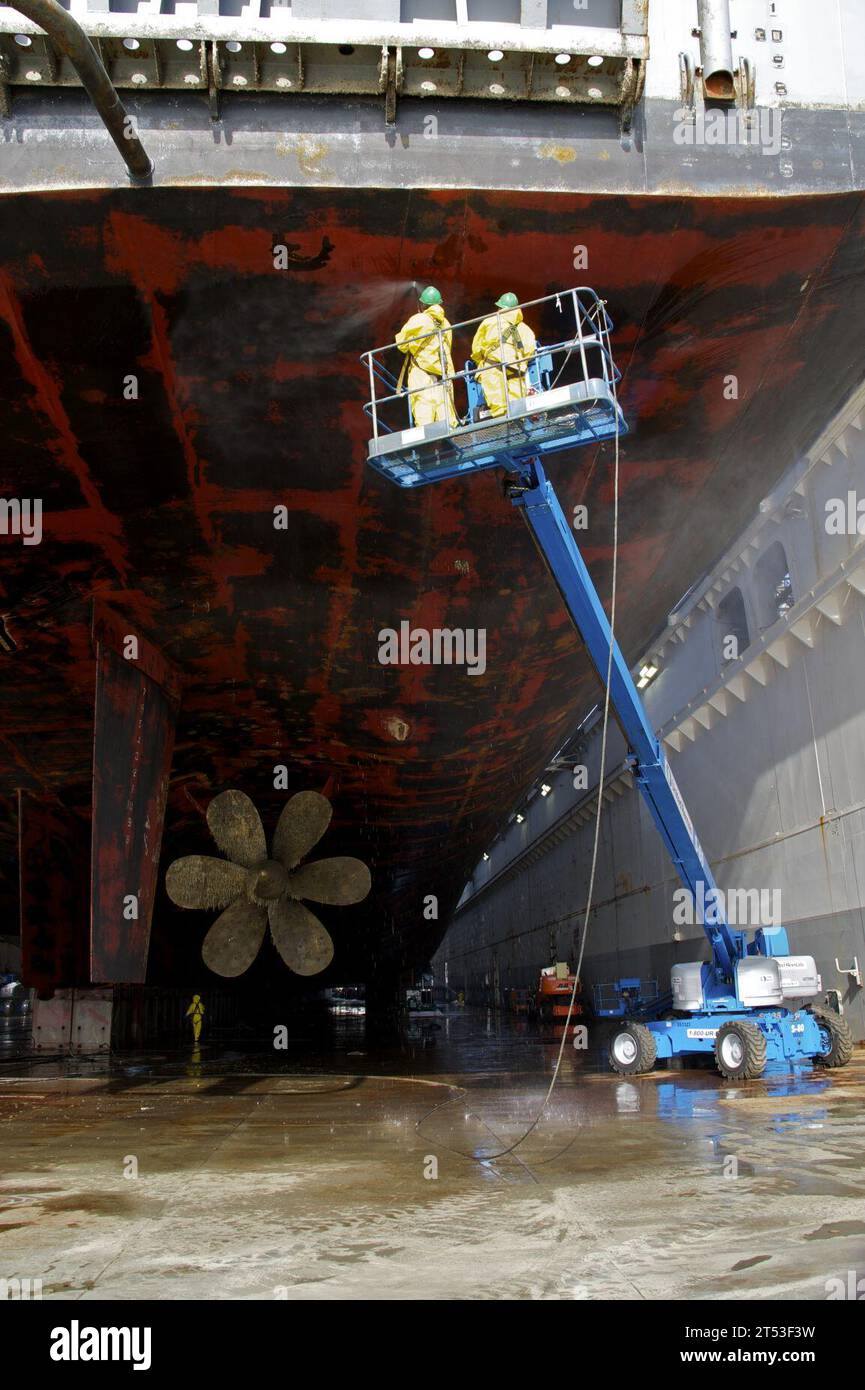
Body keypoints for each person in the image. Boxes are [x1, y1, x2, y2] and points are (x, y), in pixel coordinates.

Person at [395, 286, 459, 428]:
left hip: (422, 376)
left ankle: (429, 448)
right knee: (446, 420)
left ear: (423, 304)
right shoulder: (446, 324)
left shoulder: (419, 319)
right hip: (444, 377)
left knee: (425, 419)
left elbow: (401, 344)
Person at [471, 292, 537, 418]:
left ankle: (504, 426)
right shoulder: (526, 329)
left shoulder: (489, 322)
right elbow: (529, 351)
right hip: (516, 370)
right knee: (518, 408)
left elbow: (476, 348)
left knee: (499, 408)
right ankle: (518, 425)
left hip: (492, 367)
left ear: (500, 308)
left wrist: (481, 361)